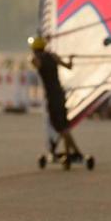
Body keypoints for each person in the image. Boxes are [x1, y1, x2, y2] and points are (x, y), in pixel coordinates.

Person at [29, 35, 83, 166]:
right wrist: (71, 58)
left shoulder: (36, 59)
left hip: (52, 97)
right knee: (64, 125)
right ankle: (69, 154)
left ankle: (77, 153)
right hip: (60, 94)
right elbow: (69, 66)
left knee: (60, 127)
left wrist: (43, 43)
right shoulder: (53, 56)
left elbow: (34, 62)